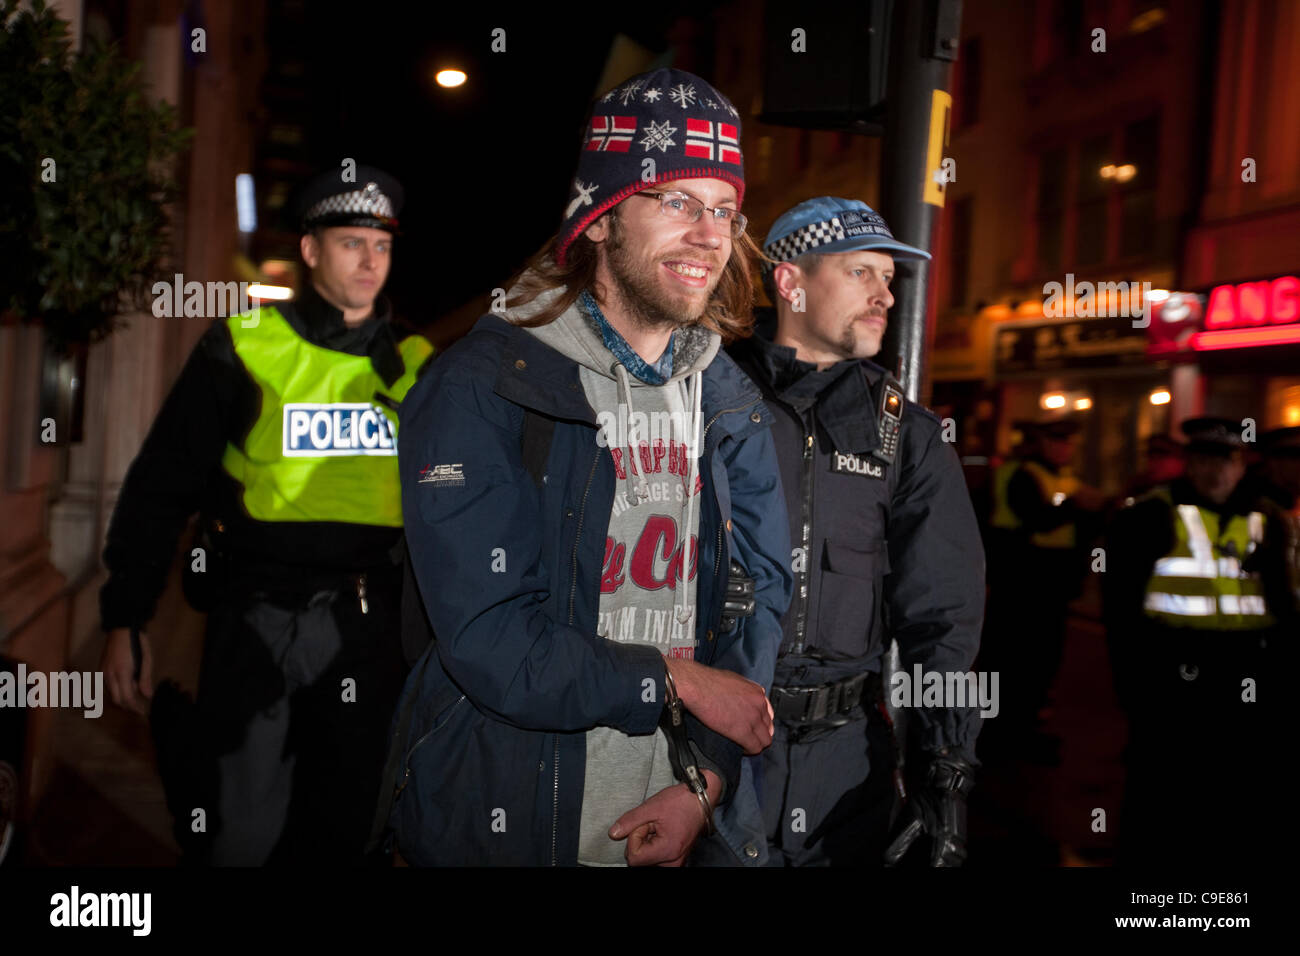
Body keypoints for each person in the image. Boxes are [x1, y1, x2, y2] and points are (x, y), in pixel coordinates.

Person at [387, 68, 793, 867]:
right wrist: (674, 681)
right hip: (507, 818)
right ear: (599, 219)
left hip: (674, 815)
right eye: (677, 202)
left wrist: (704, 780)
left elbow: (760, 596)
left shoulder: (730, 400)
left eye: (724, 209)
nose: (711, 235)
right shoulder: (482, 386)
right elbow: (492, 637)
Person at [98, 166, 433, 864]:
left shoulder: (416, 362)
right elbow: (162, 485)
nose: (371, 261)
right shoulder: (244, 344)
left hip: (366, 632)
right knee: (239, 835)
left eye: (382, 245)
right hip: (254, 622)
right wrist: (126, 617)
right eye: (351, 243)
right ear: (310, 251)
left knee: (345, 831)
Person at [725, 196, 986, 866]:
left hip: (845, 768)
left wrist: (946, 765)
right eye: (861, 273)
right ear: (790, 281)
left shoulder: (906, 433)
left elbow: (943, 617)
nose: (884, 297)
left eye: (888, 280)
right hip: (712, 748)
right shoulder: (707, 396)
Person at [1103, 416, 1283, 865]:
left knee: (1235, 788)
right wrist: (1132, 685)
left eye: (1226, 460)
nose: (1215, 472)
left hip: (1245, 672)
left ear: (1242, 465)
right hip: (1170, 671)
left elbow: (1283, 606)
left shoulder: (1267, 518)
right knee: (1161, 788)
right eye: (1203, 459)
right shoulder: (1150, 514)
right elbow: (1120, 610)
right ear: (1189, 462)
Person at [980, 416, 1104, 763]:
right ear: (1041, 443)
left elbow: (1080, 529)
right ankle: (1002, 731)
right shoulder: (1023, 474)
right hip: (1023, 584)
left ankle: (1025, 726)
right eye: (1055, 441)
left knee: (1041, 660)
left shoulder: (1063, 477)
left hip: (1051, 585)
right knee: (1015, 658)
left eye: (1068, 443)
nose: (1063, 448)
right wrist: (1077, 507)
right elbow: (1037, 520)